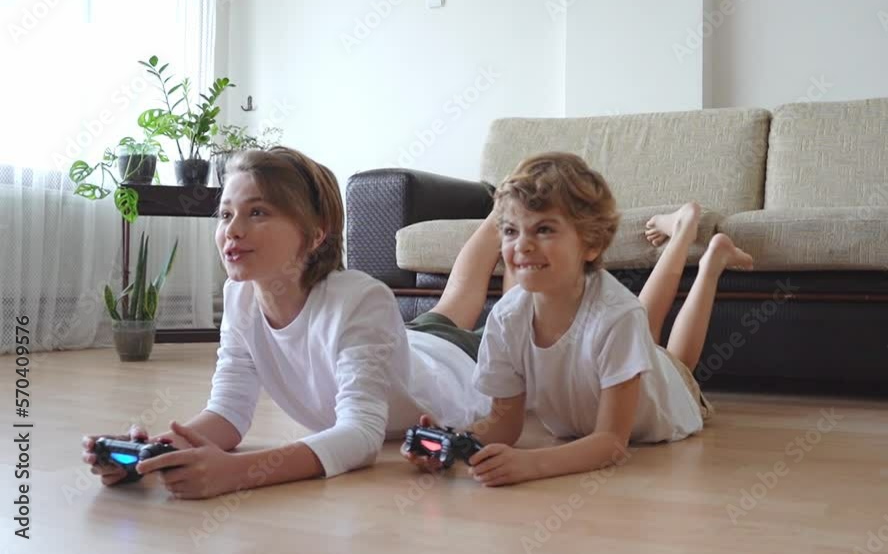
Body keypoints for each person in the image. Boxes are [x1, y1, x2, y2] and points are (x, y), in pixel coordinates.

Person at [80, 146, 491, 499]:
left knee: (476, 307)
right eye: (226, 214)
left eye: (257, 212)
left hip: (458, 365)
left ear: (316, 234)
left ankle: (502, 215)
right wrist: (157, 453)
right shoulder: (239, 296)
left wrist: (237, 473)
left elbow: (362, 436)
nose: (233, 230)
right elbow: (227, 413)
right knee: (453, 303)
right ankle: (499, 220)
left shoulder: (361, 299)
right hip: (405, 348)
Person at [404, 152, 754, 486]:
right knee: (641, 325)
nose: (522, 245)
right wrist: (454, 441)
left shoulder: (617, 315)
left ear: (591, 245)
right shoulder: (507, 318)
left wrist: (532, 464)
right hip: (621, 346)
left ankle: (709, 260)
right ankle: (685, 227)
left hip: (668, 395)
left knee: (680, 363)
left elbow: (611, 443)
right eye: (510, 231)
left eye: (543, 229)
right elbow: (504, 425)